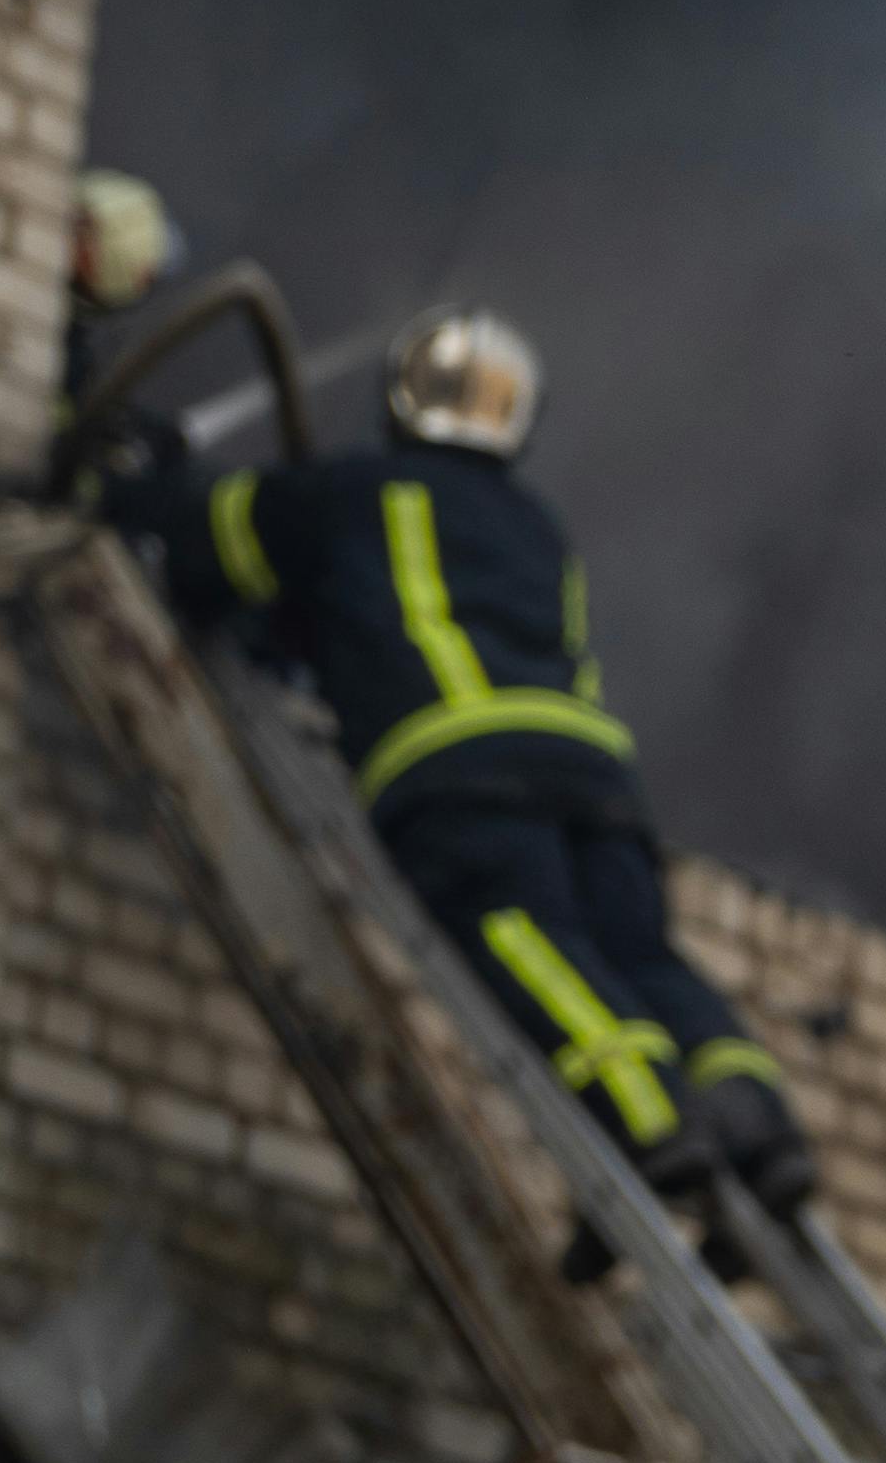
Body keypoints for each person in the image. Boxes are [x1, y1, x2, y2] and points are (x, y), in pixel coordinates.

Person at [107, 304, 818, 1223]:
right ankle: (760, 1125)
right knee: (642, 952)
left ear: (403, 397)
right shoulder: (539, 529)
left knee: (521, 932)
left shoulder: (356, 493)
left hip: (462, 769)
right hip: (597, 778)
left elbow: (218, 533)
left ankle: (649, 1115)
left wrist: (140, 481)